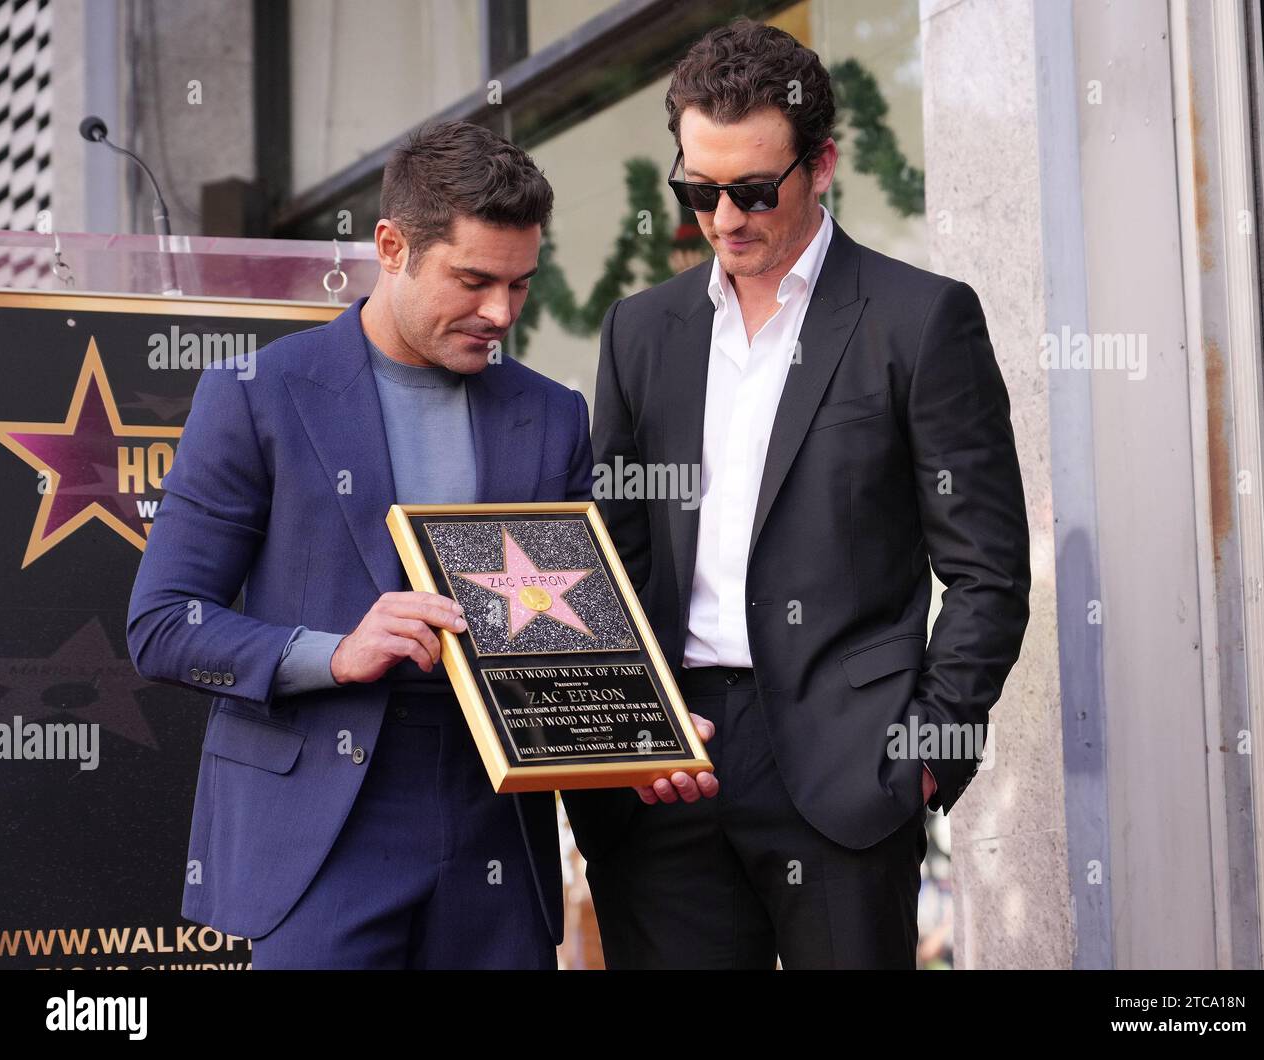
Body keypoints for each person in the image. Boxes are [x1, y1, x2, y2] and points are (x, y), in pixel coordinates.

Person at [562, 18, 1030, 969]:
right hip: (666, 767)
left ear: (821, 164)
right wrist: (630, 714)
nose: (724, 218)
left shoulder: (921, 320)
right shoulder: (640, 332)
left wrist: (925, 759)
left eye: (751, 190)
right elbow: (610, 553)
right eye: (698, 190)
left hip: (851, 771)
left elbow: (988, 572)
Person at [127, 120, 592, 969]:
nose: (501, 313)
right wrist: (333, 654)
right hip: (318, 836)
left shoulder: (554, 414)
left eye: (522, 285)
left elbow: (572, 632)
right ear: (390, 245)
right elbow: (162, 624)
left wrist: (639, 722)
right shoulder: (256, 396)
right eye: (475, 279)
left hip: (497, 830)